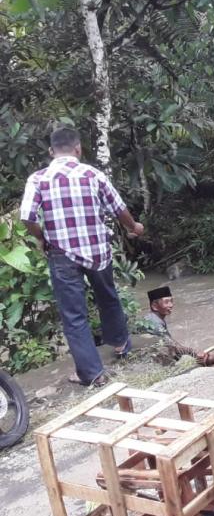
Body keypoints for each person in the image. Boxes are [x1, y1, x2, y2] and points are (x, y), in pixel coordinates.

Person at [20, 127, 144, 387]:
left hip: (62, 254)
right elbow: (119, 209)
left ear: (51, 151)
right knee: (108, 297)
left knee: (74, 315)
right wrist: (134, 228)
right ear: (78, 148)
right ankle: (121, 345)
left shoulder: (38, 179)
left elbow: (27, 218)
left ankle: (92, 374)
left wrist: (41, 237)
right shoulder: (93, 174)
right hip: (97, 250)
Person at [142, 286, 203, 361]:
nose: (171, 305)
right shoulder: (154, 323)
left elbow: (170, 342)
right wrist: (194, 352)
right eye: (166, 302)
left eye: (171, 301)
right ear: (154, 306)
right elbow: (173, 345)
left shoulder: (153, 318)